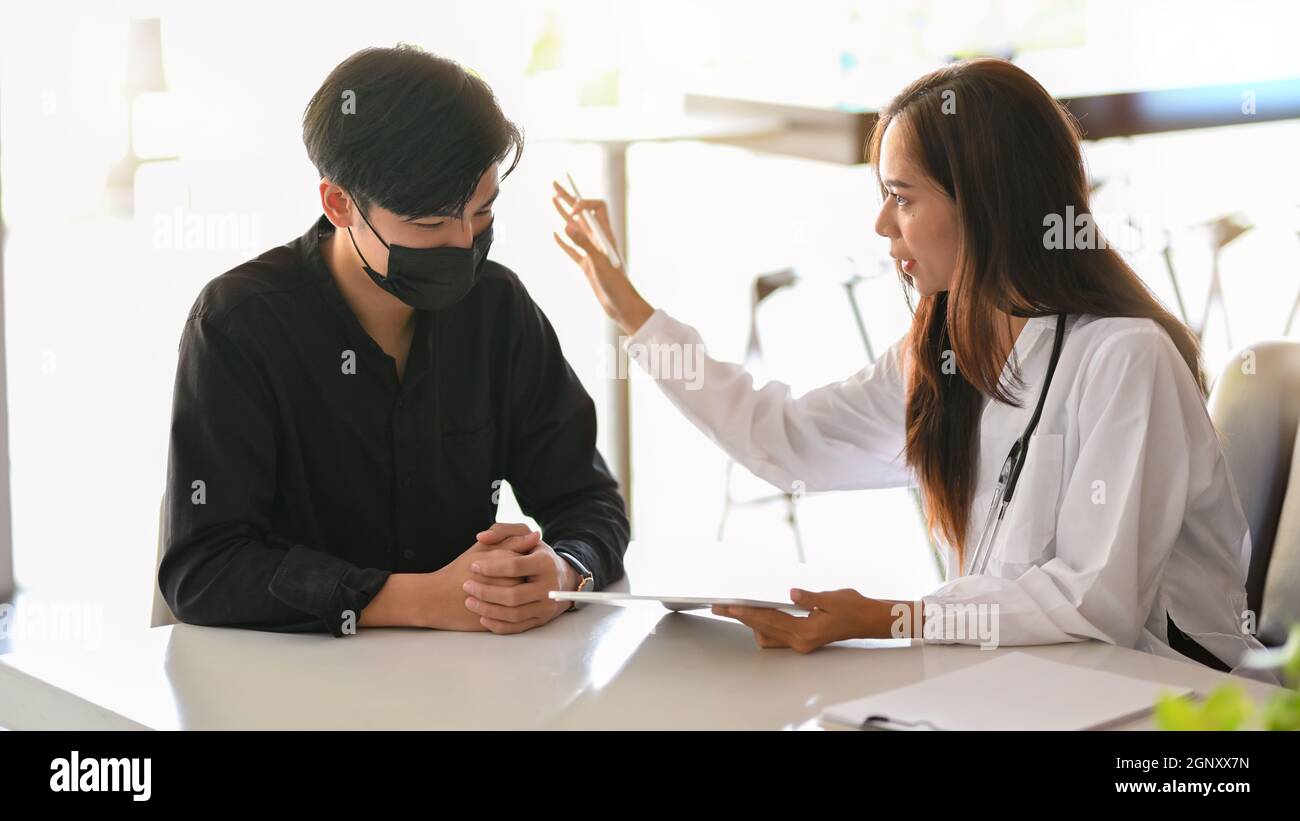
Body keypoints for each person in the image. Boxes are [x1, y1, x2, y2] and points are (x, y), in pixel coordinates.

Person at [551, 57, 1271, 678]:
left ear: (988, 204)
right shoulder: (943, 352)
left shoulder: (1126, 358)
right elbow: (785, 439)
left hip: (1173, 709)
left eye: (902, 198)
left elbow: (1095, 603)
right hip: (1027, 685)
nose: (882, 226)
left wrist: (890, 617)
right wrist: (634, 313)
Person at [160, 45, 628, 637]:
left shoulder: (497, 307)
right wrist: (417, 601)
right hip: (289, 690)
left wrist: (563, 573)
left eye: (481, 214)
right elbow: (205, 567)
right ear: (339, 204)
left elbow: (589, 500)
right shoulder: (240, 323)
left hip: (467, 683)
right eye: (430, 224)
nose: (463, 244)